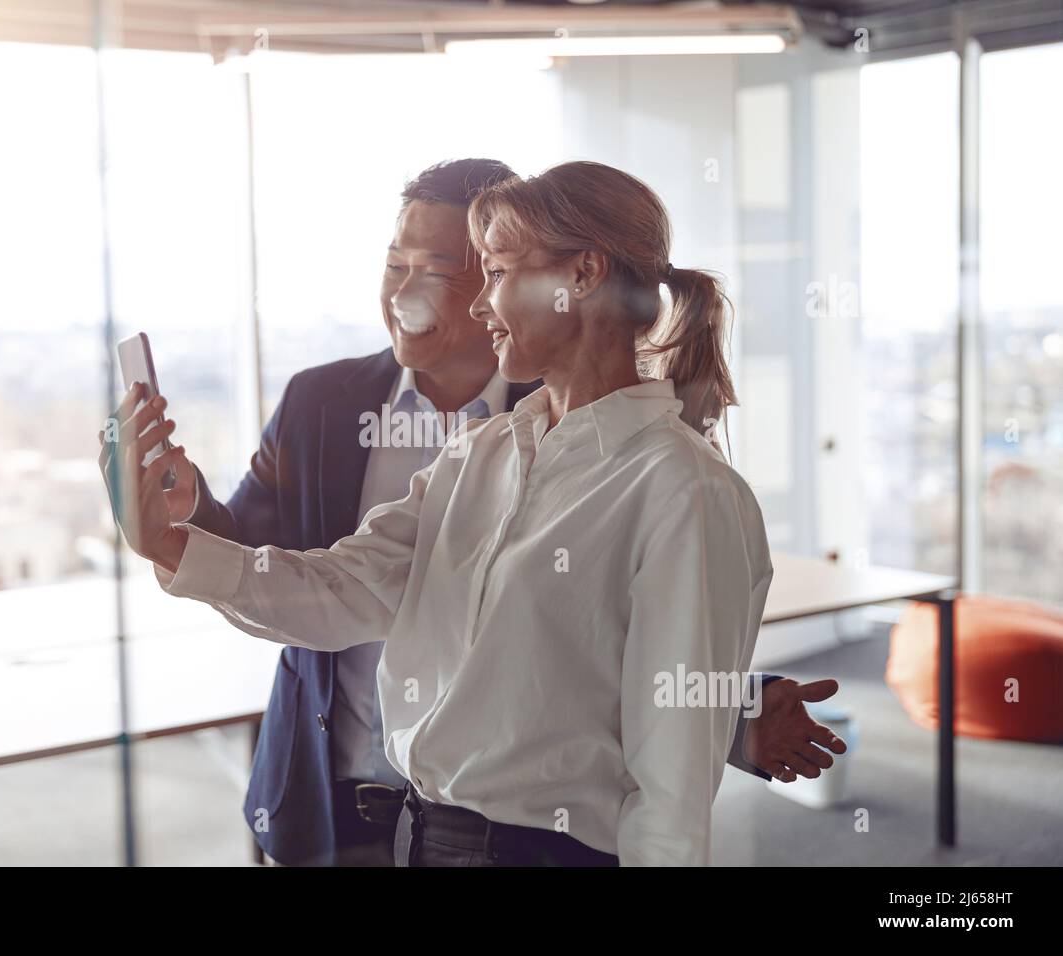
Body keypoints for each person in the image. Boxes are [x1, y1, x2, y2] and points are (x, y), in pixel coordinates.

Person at [101, 159, 847, 866]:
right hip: (419, 836)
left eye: (494, 274)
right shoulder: (477, 455)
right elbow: (341, 590)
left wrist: (736, 715)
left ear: (581, 275)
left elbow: (671, 785)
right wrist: (167, 542)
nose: (482, 303)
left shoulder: (685, 490)